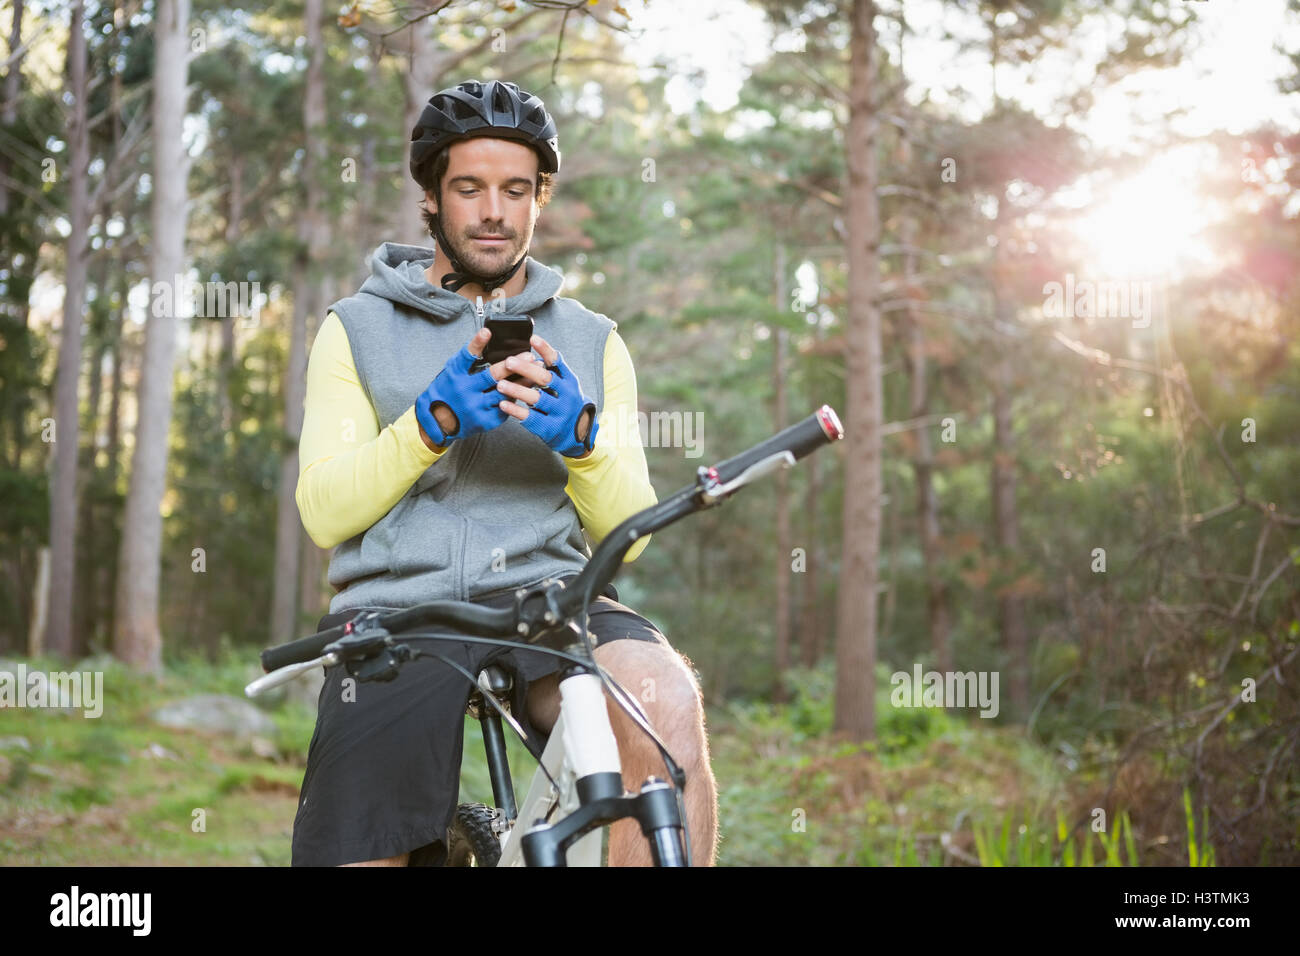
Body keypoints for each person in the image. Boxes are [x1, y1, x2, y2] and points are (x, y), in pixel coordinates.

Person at [290, 79, 717, 866]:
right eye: (470, 188)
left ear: (539, 200)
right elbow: (324, 513)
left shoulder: (594, 340)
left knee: (663, 697)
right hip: (399, 614)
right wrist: (426, 427)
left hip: (552, 601)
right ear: (431, 197)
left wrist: (582, 442)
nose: (494, 210)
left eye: (516, 190)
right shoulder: (355, 328)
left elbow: (630, 534)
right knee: (363, 844)